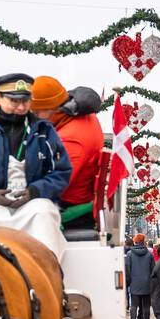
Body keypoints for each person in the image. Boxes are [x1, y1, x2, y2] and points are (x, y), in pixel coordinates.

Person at [0, 73, 72, 261]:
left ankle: (50, 276)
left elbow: (61, 171)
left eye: (26, 101)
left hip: (33, 205)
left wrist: (35, 191)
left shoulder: (44, 132)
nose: (21, 107)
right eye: (13, 101)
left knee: (43, 213)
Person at [30, 79, 104, 230]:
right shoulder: (85, 116)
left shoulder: (69, 139)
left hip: (67, 209)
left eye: (36, 112)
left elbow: (51, 184)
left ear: (53, 108)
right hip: (75, 198)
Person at [126, 232, 154, 319]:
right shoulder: (149, 254)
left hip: (134, 283)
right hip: (146, 283)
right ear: (143, 242)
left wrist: (128, 283)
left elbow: (128, 270)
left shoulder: (129, 254)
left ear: (135, 241)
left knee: (134, 305)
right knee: (146, 306)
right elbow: (153, 270)